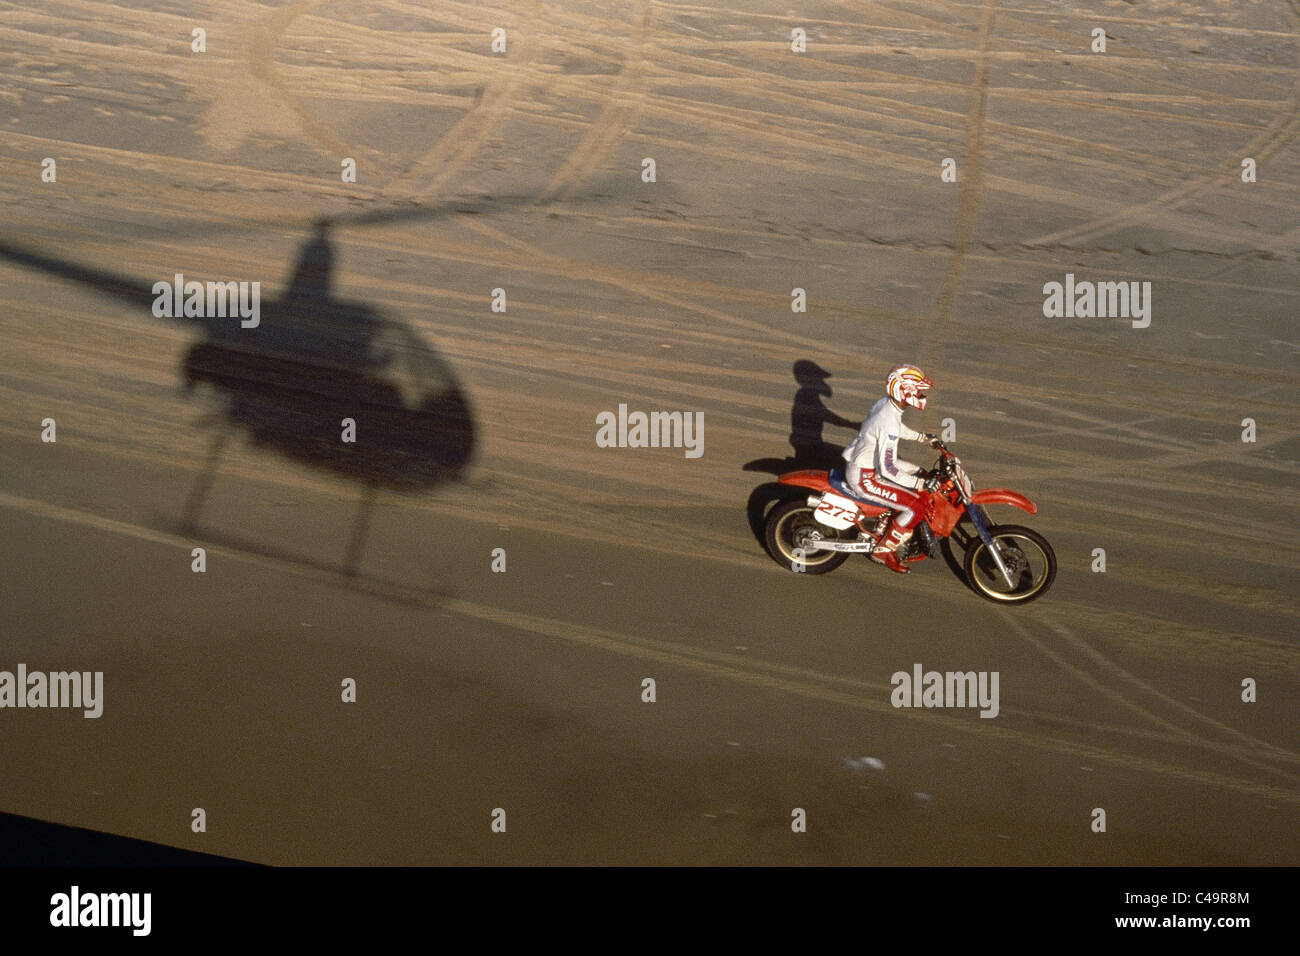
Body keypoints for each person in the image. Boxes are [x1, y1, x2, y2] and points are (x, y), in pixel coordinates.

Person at [842, 365, 942, 574]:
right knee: (915, 507)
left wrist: (923, 438)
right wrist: (920, 484)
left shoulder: (886, 405)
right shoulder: (887, 420)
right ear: (905, 391)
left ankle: (889, 523)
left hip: (867, 464)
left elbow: (897, 429)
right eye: (918, 390)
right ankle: (883, 550)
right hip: (865, 477)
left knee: (918, 470)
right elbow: (888, 469)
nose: (922, 395)